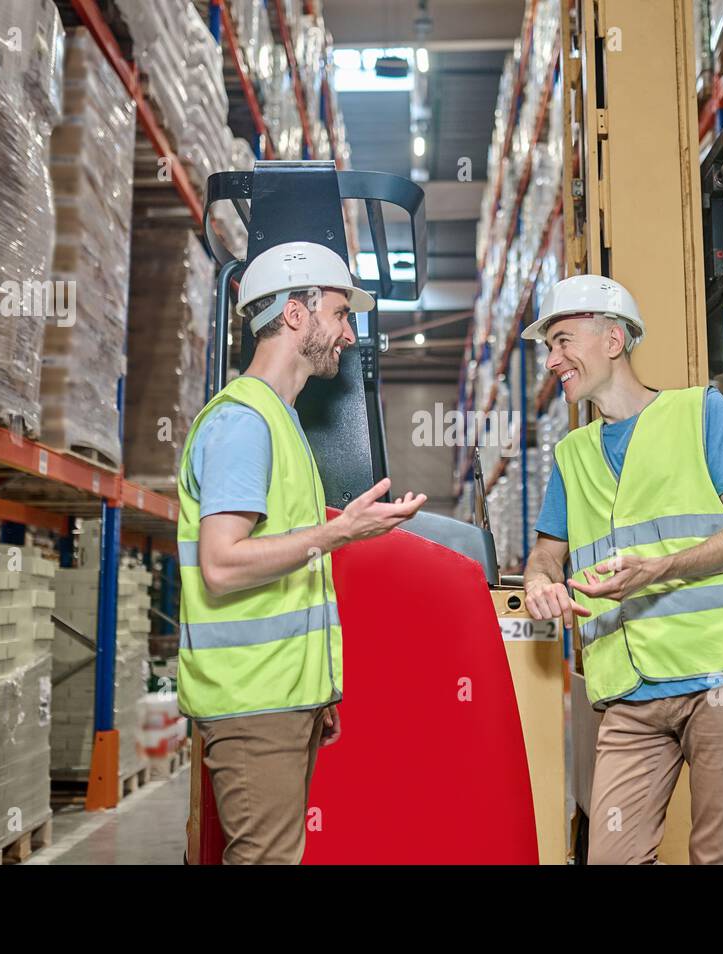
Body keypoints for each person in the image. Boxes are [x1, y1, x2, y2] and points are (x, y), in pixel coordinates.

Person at [176, 241, 426, 864]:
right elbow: (222, 563)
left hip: (284, 697)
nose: (348, 333)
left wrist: (320, 689)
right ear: (295, 313)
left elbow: (289, 576)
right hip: (252, 700)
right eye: (340, 314)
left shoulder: (279, 420)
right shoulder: (244, 424)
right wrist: (339, 533)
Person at [520, 274, 723, 865]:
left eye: (562, 341)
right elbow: (546, 552)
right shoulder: (572, 454)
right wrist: (539, 582)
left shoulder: (701, 414)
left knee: (720, 854)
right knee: (611, 858)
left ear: (613, 340)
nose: (553, 360)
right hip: (630, 694)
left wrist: (656, 570)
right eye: (548, 349)